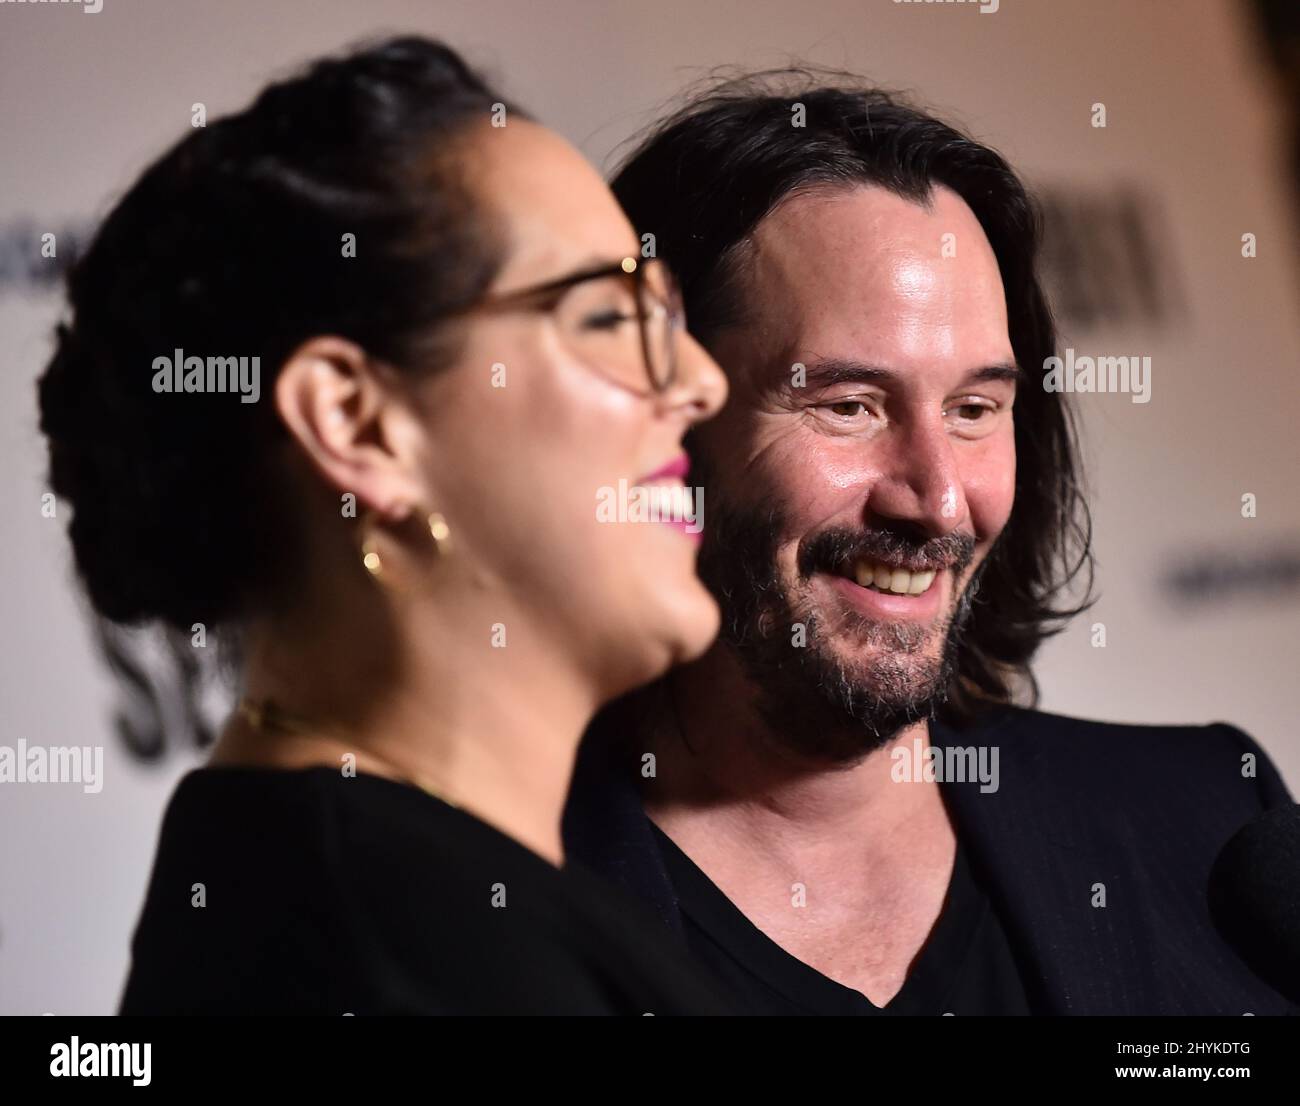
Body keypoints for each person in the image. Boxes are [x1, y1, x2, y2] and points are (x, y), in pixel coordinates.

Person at [562, 72, 1298, 1016]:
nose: (941, 499)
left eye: (974, 408)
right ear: (660, 429)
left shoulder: (1206, 826)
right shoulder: (473, 920)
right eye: (849, 406)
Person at [38, 36, 735, 1015]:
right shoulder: (405, 952)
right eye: (613, 318)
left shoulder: (366, 884)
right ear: (359, 425)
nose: (701, 382)